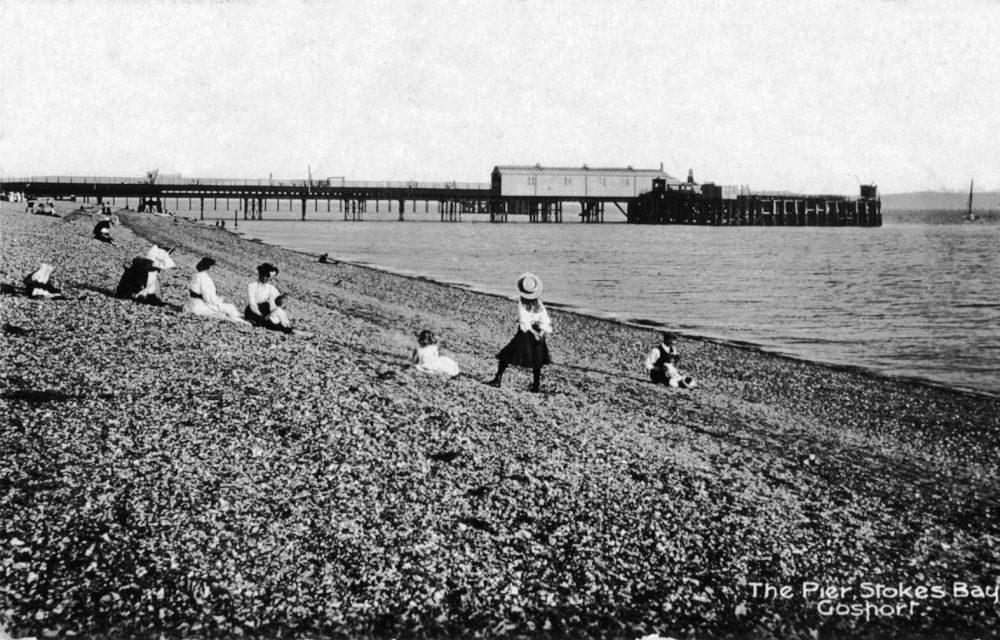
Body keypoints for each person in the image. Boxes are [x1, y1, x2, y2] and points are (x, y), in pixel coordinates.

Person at [488, 273, 553, 393]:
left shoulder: (522, 303)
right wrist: (541, 333)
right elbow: (545, 320)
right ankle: (536, 386)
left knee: (506, 354)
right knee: (537, 359)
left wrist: (534, 333)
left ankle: (497, 379)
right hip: (539, 331)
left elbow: (524, 323)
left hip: (526, 333)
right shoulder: (538, 304)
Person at [183, 257, 248, 324]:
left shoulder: (197, 275)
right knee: (229, 308)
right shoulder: (205, 279)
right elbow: (210, 299)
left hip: (191, 304)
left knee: (228, 307)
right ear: (209, 268)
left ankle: (241, 319)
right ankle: (244, 322)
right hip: (199, 307)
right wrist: (221, 299)